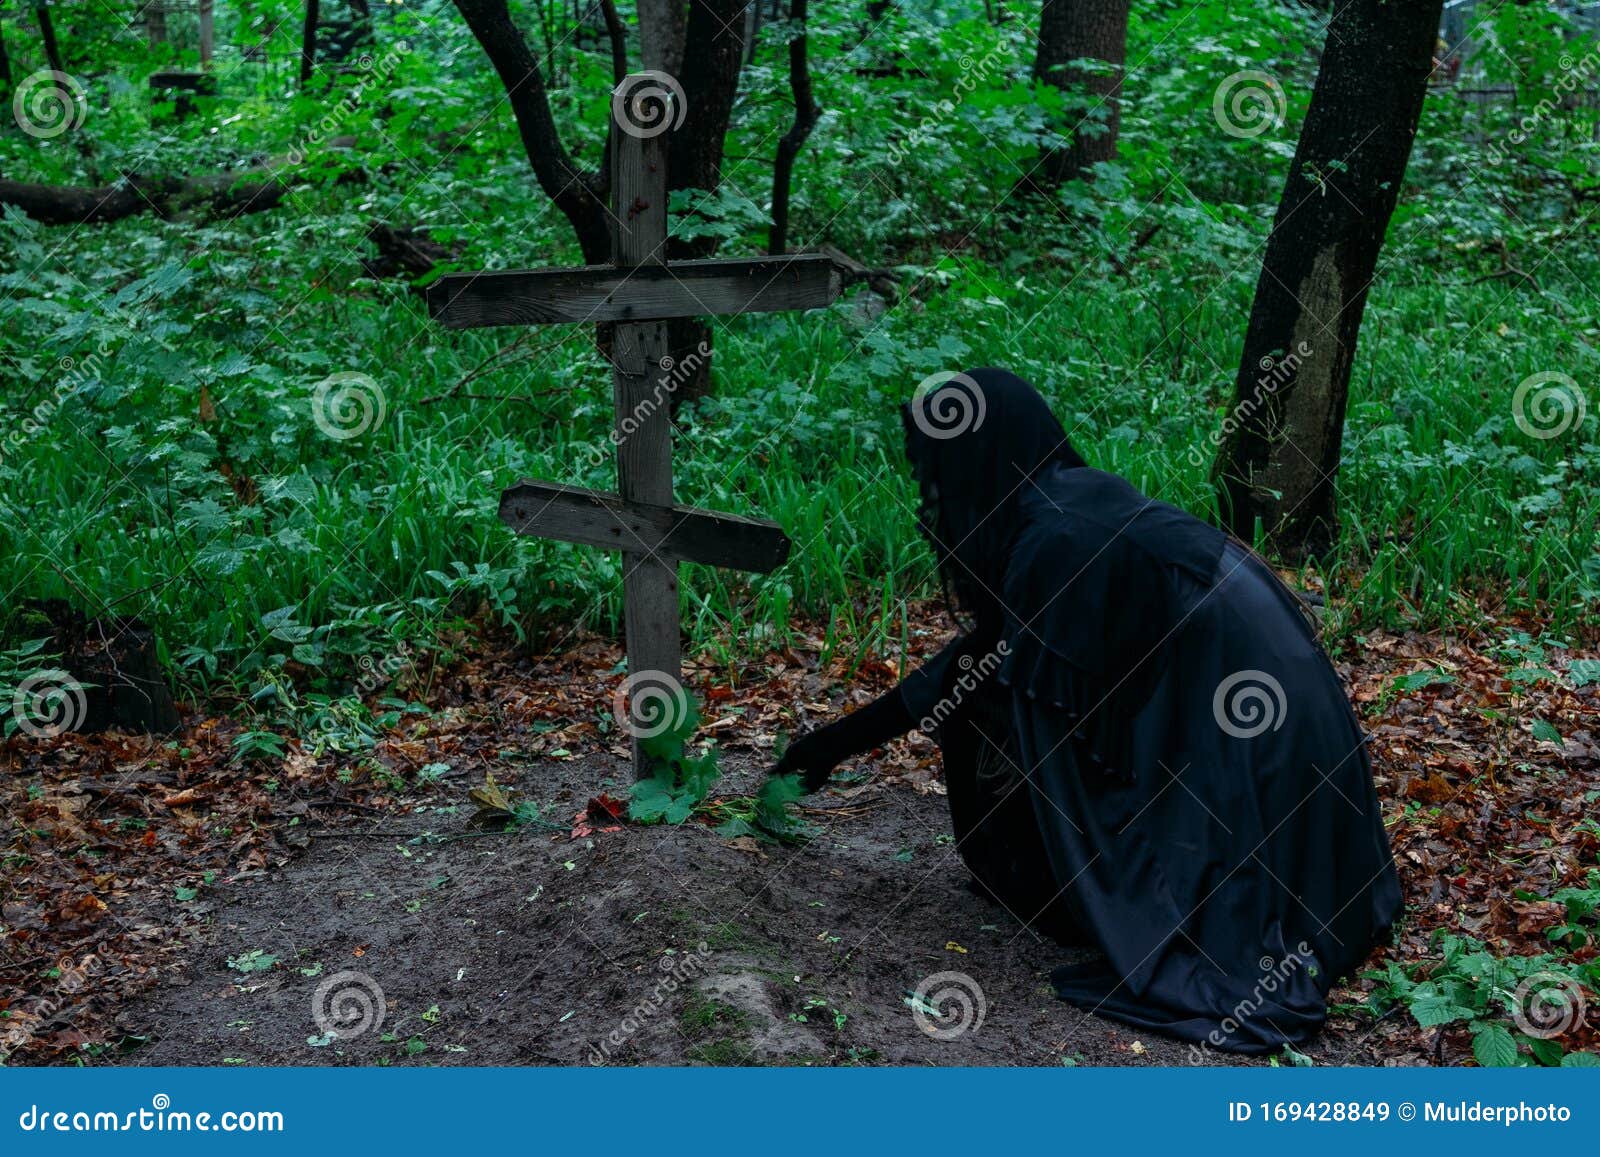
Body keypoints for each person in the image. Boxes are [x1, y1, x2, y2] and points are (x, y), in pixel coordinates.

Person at [771, 368, 1402, 1054]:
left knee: (1011, 713)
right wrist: (835, 741)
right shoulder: (1057, 506)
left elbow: (990, 677)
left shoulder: (1052, 537)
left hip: (1243, 695)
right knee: (993, 700)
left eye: (939, 471)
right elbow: (972, 663)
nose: (933, 496)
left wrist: (839, 741)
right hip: (1249, 675)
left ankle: (1106, 898)